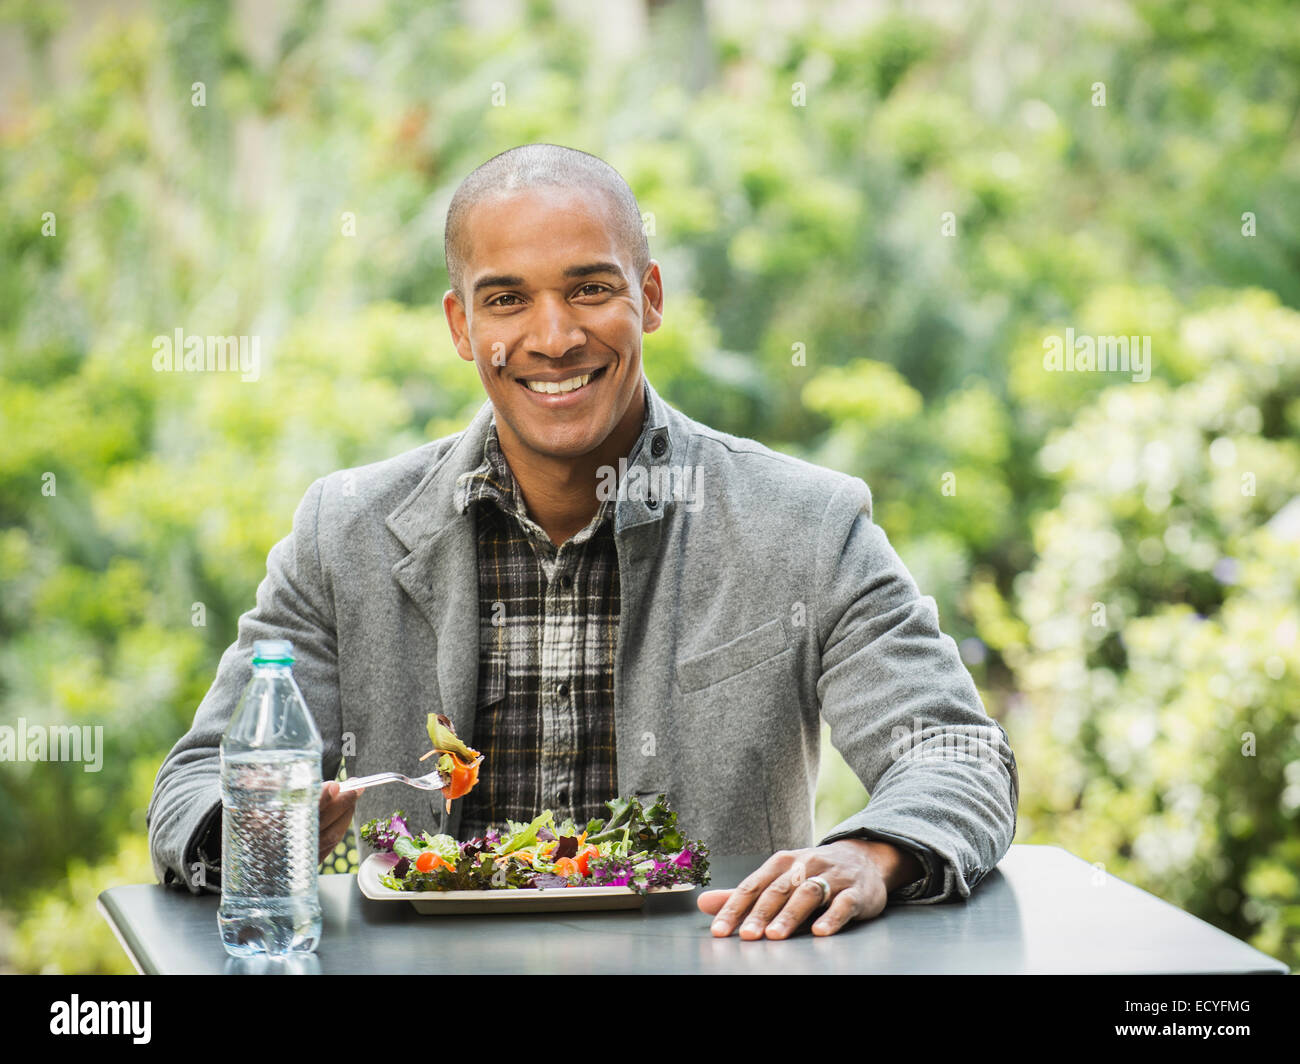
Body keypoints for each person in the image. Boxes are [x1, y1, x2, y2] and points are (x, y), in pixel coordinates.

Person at [148, 143, 1019, 941]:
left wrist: (871, 853)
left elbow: (955, 753)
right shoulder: (345, 535)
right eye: (507, 300)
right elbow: (191, 789)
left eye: (591, 289)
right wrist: (260, 822)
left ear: (650, 297)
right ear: (462, 327)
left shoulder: (806, 525)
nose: (554, 336)